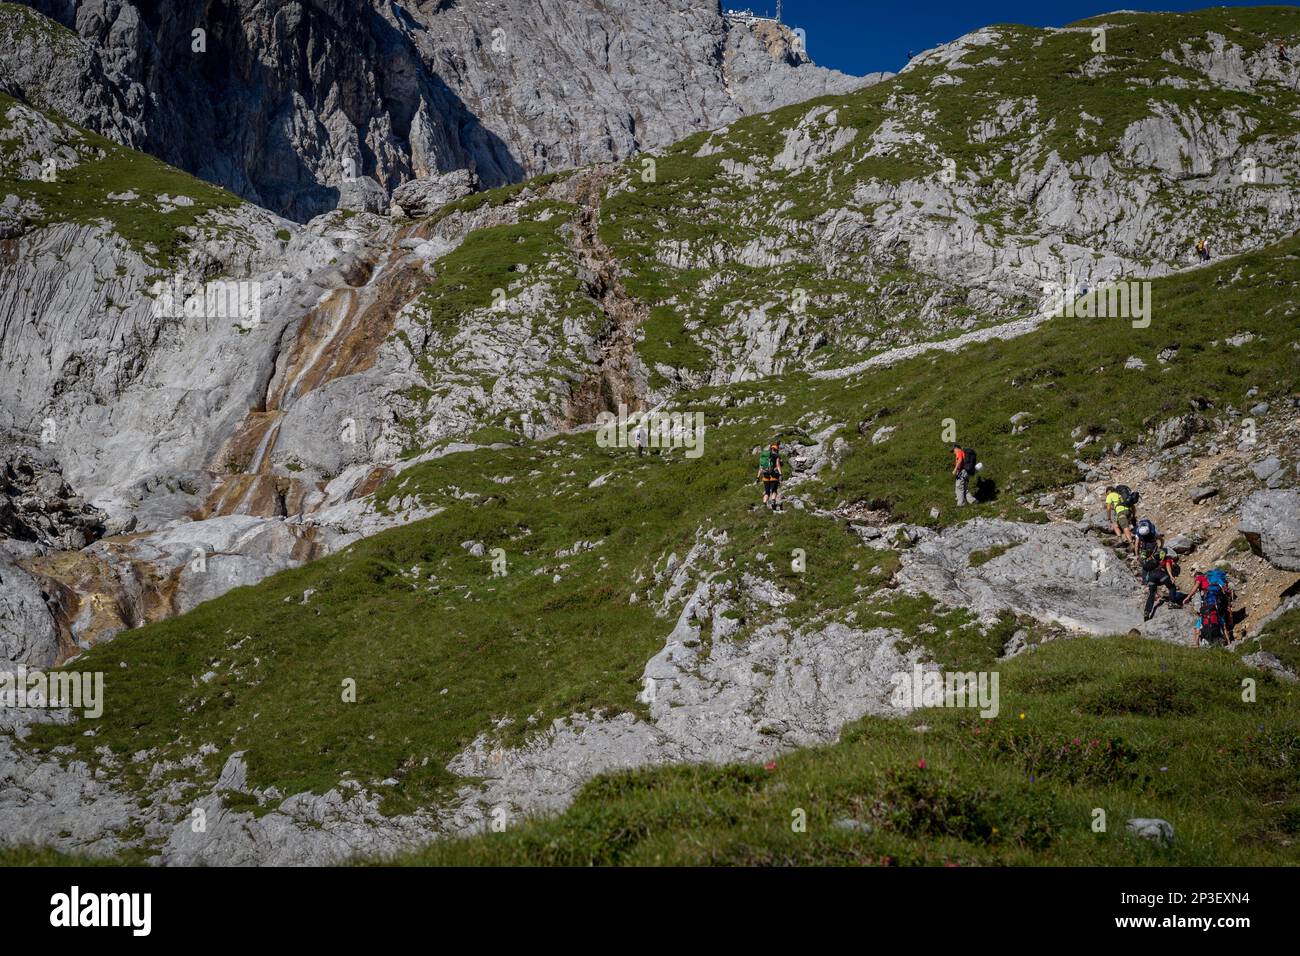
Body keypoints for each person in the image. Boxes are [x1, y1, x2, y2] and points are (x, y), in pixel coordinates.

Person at [1191, 568, 1235, 646]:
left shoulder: (1206, 585)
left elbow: (1197, 630)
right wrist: (1229, 643)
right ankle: (1231, 627)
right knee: (1224, 621)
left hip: (1207, 609)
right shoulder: (1220, 584)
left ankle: (1196, 644)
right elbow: (1224, 627)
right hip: (1217, 609)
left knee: (1197, 627)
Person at [1142, 547, 1181, 622]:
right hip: (1160, 575)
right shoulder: (1168, 559)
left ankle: (1147, 612)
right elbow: (1168, 566)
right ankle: (1171, 603)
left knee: (1152, 594)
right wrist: (1171, 576)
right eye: (1174, 562)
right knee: (1172, 587)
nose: (1174, 564)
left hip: (1151, 578)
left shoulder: (1157, 560)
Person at [1105, 485, 1138, 552]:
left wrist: (1109, 517)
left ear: (1109, 491)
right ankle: (1120, 540)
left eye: (1106, 493)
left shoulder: (1110, 495)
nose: (1106, 495)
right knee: (1115, 525)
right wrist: (1133, 516)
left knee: (1125, 527)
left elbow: (1108, 508)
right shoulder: (1121, 495)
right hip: (1129, 512)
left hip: (1121, 513)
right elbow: (1133, 506)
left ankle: (1131, 544)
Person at [758, 441, 783, 512]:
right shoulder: (776, 456)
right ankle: (773, 503)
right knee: (774, 490)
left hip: (765, 475)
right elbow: (778, 465)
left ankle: (764, 505)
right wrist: (780, 474)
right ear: (777, 449)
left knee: (767, 492)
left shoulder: (765, 456)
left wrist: (758, 477)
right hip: (774, 475)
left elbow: (760, 467)